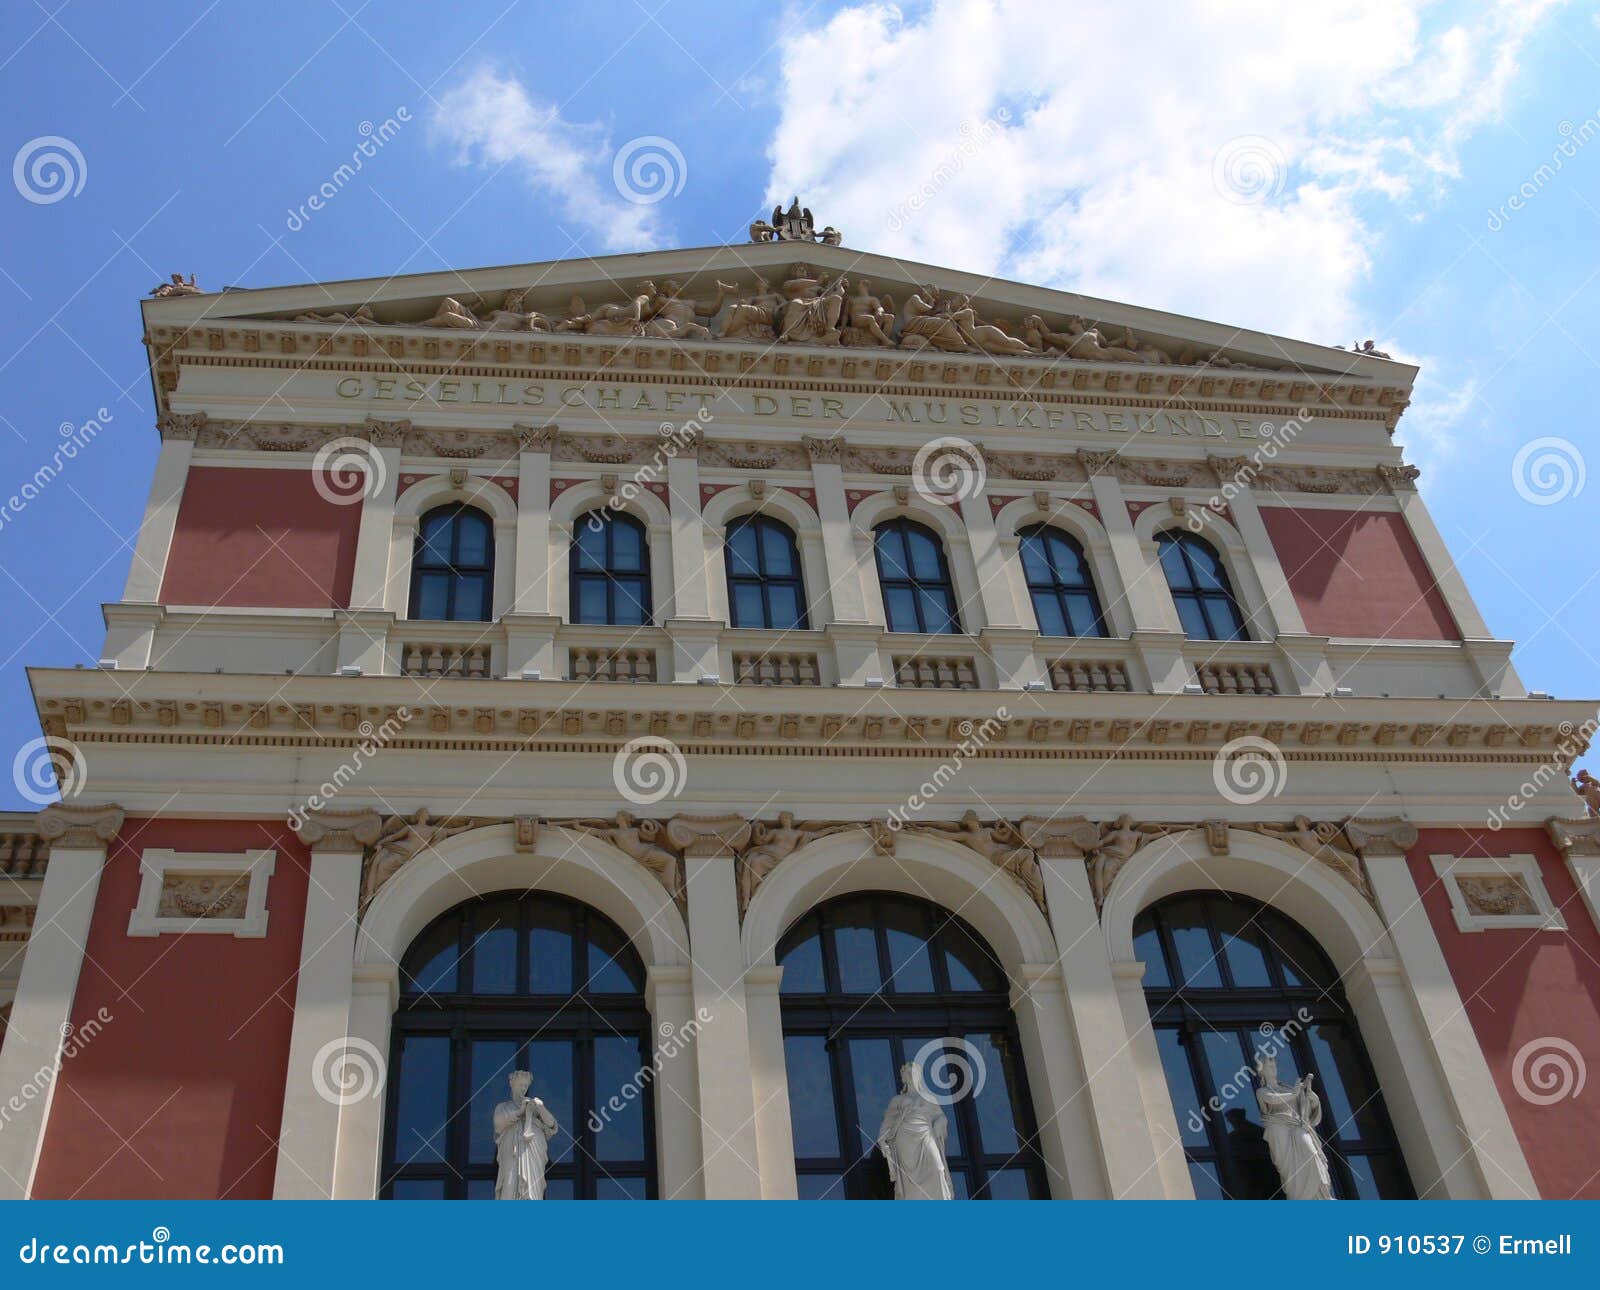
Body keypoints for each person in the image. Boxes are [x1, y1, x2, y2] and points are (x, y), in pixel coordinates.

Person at [492, 1070, 560, 1200]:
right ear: (512, 1085)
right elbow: (498, 1123)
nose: (523, 1088)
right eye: (520, 1085)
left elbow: (552, 1125)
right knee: (510, 1184)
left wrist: (541, 1108)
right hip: (511, 1151)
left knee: (532, 1189)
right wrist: (519, 1112)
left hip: (533, 1151)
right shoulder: (503, 1107)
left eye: (525, 1086)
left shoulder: (534, 1107)